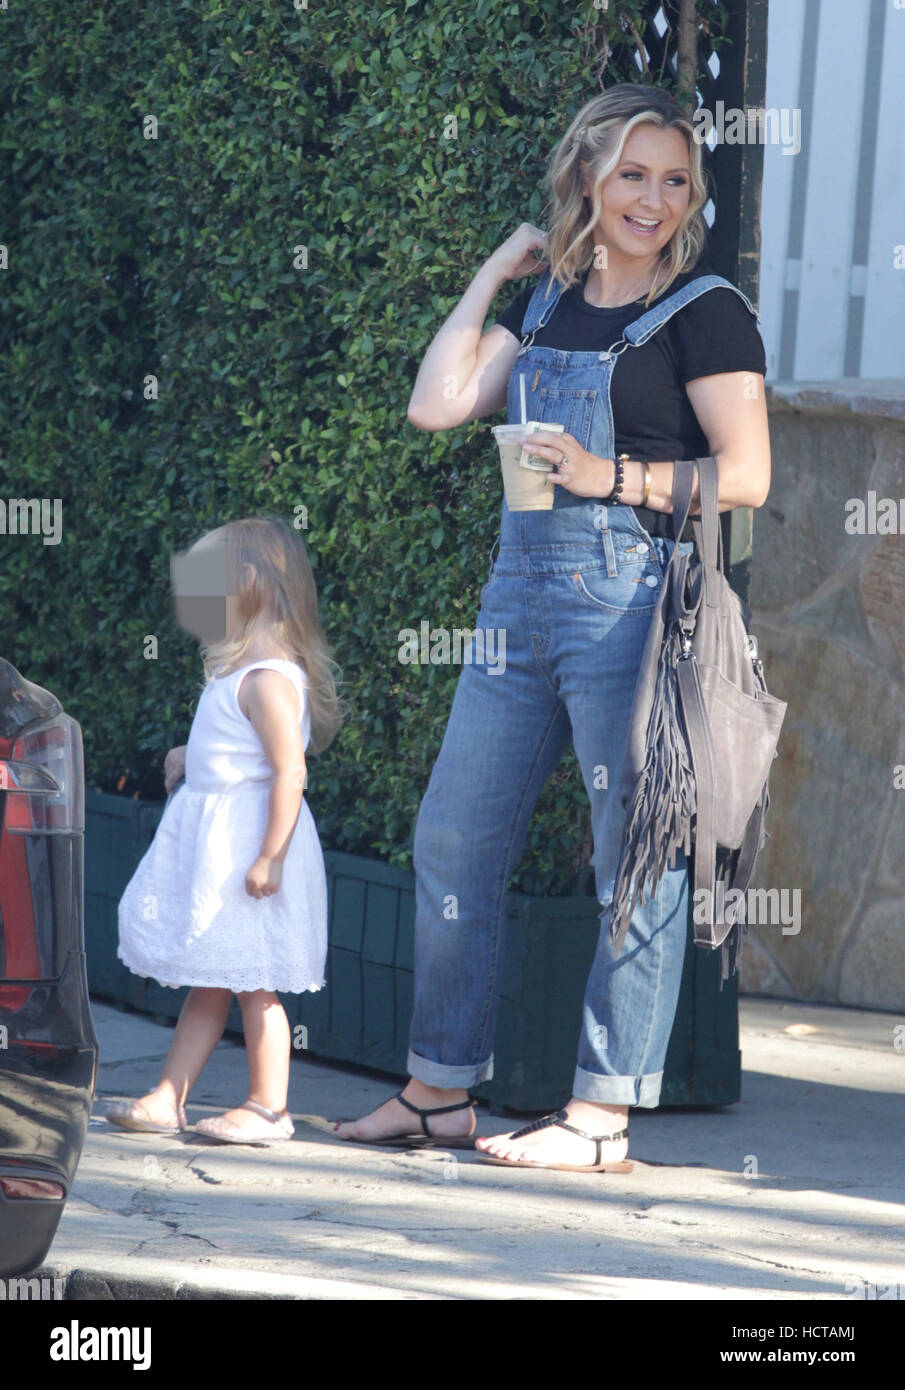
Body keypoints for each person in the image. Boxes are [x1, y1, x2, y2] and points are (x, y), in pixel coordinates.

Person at [335, 83, 770, 1172]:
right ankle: (438, 1091)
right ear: (585, 174)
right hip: (515, 600)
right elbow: (434, 405)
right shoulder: (543, 306)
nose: (653, 199)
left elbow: (748, 476)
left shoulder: (705, 309)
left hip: (629, 603)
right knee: (450, 838)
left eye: (673, 181)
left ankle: (600, 1112)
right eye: (631, 174)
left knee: (632, 858)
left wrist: (605, 473)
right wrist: (496, 271)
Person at [106, 516, 343, 1145]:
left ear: (245, 584)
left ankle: (269, 1106)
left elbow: (288, 772)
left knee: (254, 983)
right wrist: (193, 754)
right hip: (223, 853)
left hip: (250, 855)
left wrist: (270, 856)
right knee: (214, 977)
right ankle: (169, 1096)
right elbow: (242, 753)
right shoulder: (240, 675)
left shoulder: (269, 681)